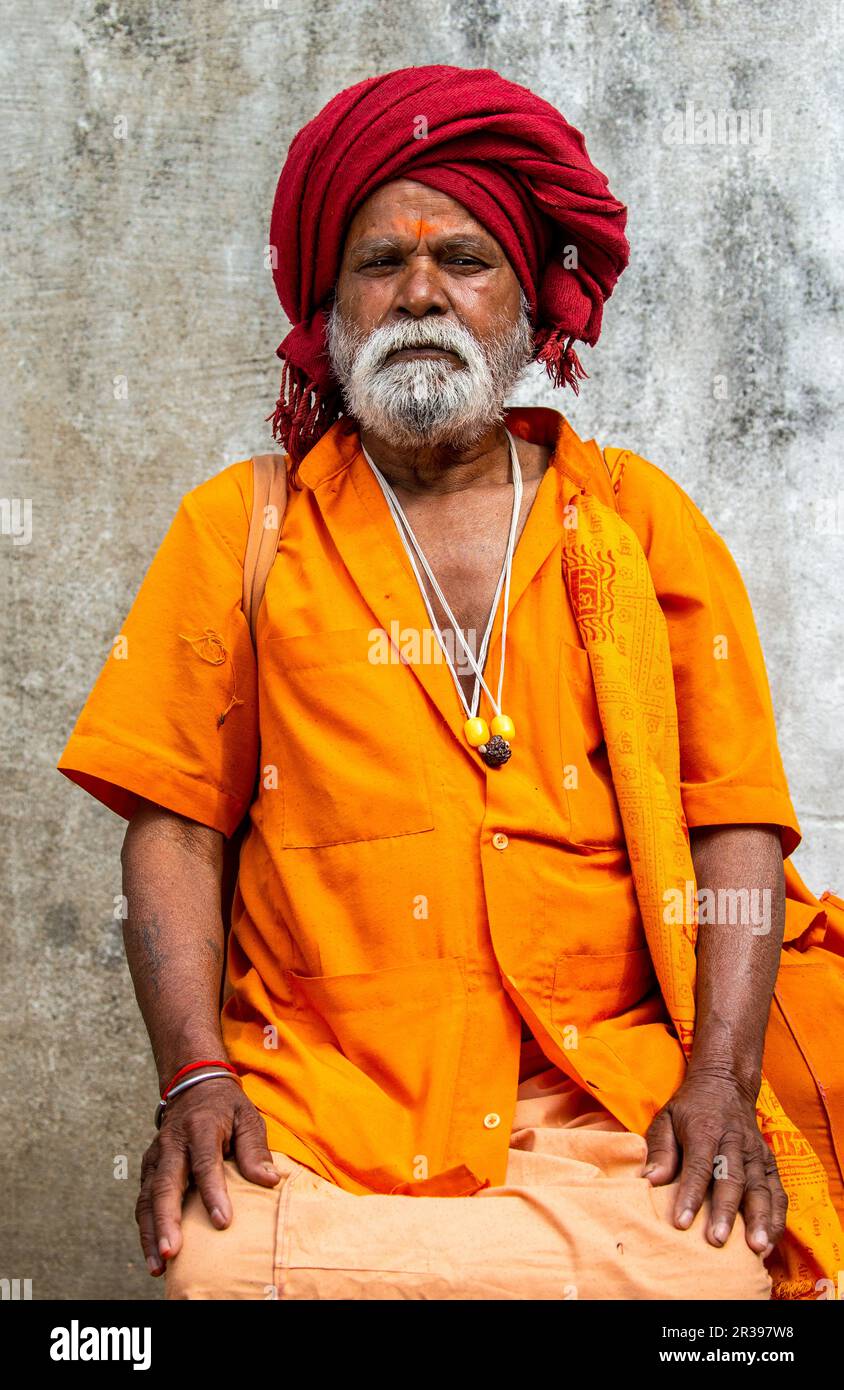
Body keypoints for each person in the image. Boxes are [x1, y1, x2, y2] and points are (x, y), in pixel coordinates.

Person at [58, 64, 843, 1301]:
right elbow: (175, 825)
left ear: (527, 302)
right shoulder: (239, 529)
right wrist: (195, 1077)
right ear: (329, 307)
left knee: (711, 1284)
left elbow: (731, 820)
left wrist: (717, 1089)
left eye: (465, 260)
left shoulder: (636, 523)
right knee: (218, 1271)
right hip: (324, 1110)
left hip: (606, 1103)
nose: (421, 290)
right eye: (380, 263)